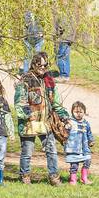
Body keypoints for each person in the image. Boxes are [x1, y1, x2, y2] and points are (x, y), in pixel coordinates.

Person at [14, 52, 63, 185]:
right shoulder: (25, 80)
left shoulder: (49, 81)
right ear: (33, 64)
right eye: (39, 64)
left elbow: (56, 102)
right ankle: (24, 175)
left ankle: (53, 176)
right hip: (29, 123)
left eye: (45, 65)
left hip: (45, 122)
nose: (42, 67)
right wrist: (28, 115)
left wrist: (64, 117)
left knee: (51, 150)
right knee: (27, 152)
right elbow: (19, 103)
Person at [64, 100, 94, 185]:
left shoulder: (86, 123)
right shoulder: (70, 122)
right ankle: (73, 179)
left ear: (84, 112)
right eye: (76, 112)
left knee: (87, 161)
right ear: (72, 112)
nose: (78, 114)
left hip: (84, 148)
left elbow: (89, 133)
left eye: (81, 112)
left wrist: (91, 140)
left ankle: (84, 178)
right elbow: (64, 133)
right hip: (73, 147)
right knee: (74, 164)